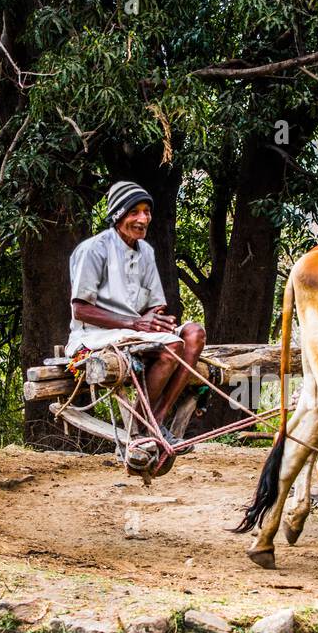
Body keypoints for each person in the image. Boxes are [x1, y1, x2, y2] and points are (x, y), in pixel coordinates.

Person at [67, 181, 206, 446]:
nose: (143, 219)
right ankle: (142, 426)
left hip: (133, 332)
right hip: (97, 335)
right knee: (173, 347)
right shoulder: (93, 249)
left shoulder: (147, 252)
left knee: (194, 334)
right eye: (135, 212)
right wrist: (136, 323)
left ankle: (157, 417)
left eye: (147, 212)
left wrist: (156, 320)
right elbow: (80, 309)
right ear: (118, 215)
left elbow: (155, 303)